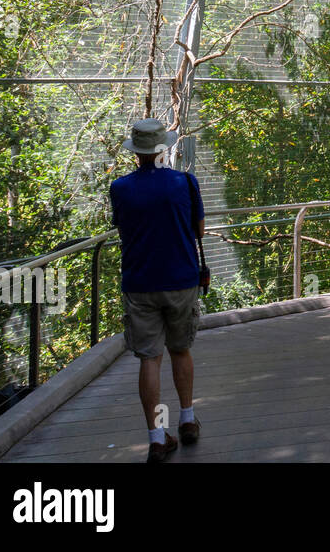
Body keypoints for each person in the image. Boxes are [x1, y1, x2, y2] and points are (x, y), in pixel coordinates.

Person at [109, 118, 205, 463]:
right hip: (181, 279)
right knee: (180, 350)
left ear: (136, 152)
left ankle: (156, 437)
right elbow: (200, 230)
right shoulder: (184, 182)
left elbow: (122, 228)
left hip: (140, 283)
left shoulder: (120, 188)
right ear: (163, 148)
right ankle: (187, 419)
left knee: (150, 358)